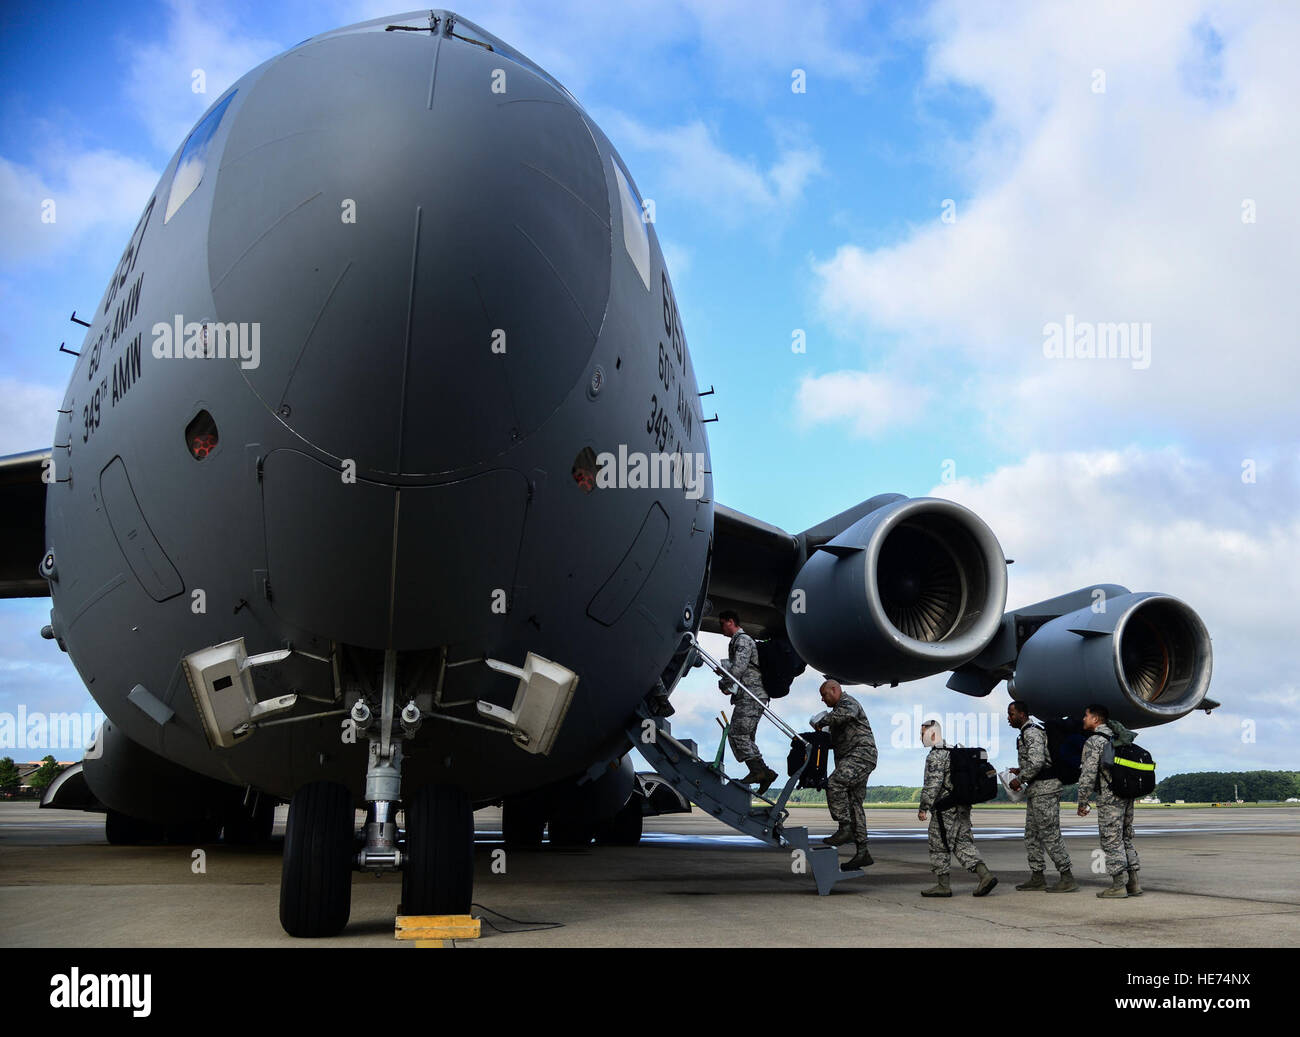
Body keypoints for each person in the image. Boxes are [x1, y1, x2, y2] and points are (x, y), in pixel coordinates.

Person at [917, 719, 997, 897]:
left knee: (938, 844)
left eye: (922, 733)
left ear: (933, 734)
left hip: (945, 809)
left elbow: (933, 785)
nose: (920, 737)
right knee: (962, 842)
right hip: (961, 805)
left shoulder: (936, 755)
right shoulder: (953, 751)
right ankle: (985, 875)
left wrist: (924, 807)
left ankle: (943, 885)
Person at [1007, 701, 1076, 892]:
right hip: (1037, 790)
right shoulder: (1026, 733)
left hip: (1046, 789)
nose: (1009, 718)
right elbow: (1039, 761)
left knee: (1050, 834)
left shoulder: (1031, 732)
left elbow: (1037, 763)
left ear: (1022, 714)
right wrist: (1020, 770)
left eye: (1011, 714)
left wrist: (1020, 779)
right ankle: (1037, 876)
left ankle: (1067, 876)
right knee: (1031, 835)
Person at [1077, 703, 1140, 898]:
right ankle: (1134, 883)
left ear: (1096, 719)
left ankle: (1118, 885)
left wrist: (1082, 800)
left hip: (1109, 796)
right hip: (1126, 794)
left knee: (1111, 839)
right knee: (1125, 837)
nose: (1083, 719)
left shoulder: (1094, 741)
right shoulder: (1119, 737)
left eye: (1086, 716)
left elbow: (1088, 773)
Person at [812, 679, 876, 870]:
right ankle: (862, 851)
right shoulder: (837, 713)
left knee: (835, 784)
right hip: (854, 757)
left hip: (861, 754)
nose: (823, 700)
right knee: (854, 803)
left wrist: (820, 721)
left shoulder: (848, 703)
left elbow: (842, 716)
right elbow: (834, 738)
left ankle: (844, 828)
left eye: (824, 695)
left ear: (835, 690)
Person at [716, 610, 778, 794]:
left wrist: (725, 682)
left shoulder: (742, 640)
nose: (721, 628)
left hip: (752, 695)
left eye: (722, 624)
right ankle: (765, 772)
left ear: (731, 621)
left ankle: (758, 771)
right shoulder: (737, 641)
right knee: (747, 736)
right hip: (751, 694)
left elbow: (740, 667)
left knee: (737, 733)